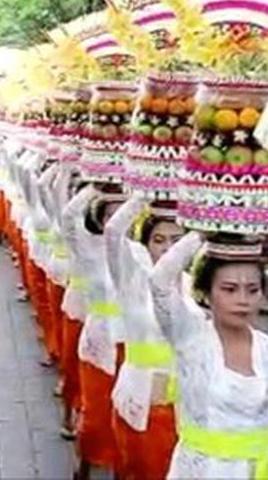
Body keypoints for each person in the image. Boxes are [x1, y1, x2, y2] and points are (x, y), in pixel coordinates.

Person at [150, 231, 268, 479]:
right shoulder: (190, 339)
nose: (242, 300)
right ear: (206, 293)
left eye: (252, 290)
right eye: (229, 289)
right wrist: (200, 233)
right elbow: (159, 281)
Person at [105, 196, 184, 480]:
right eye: (159, 240)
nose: (168, 250)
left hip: (187, 408)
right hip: (142, 400)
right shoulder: (132, 282)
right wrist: (146, 193)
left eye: (177, 241)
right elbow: (114, 232)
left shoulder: (199, 291)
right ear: (145, 244)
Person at [63, 184, 125, 478]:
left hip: (128, 346)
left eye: (122, 217)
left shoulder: (137, 256)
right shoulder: (87, 249)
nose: (116, 224)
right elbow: (68, 215)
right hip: (99, 340)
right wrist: (93, 187)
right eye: (111, 216)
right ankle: (82, 465)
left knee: (122, 420)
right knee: (95, 416)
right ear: (99, 219)